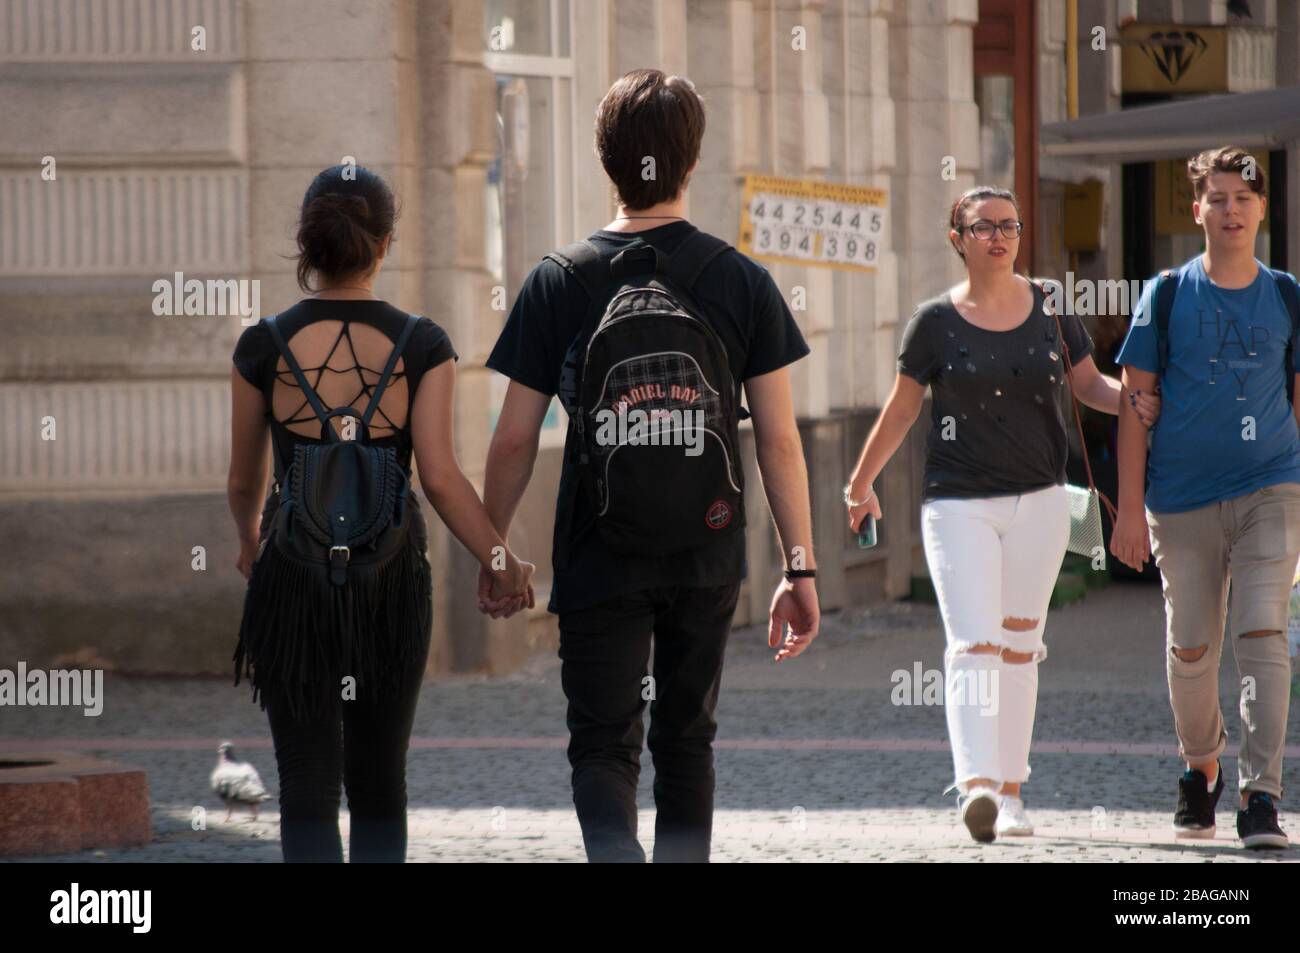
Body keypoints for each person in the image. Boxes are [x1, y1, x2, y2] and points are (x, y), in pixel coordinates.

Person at [479, 69, 819, 862]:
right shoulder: (741, 280)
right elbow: (778, 439)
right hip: (706, 546)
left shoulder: (558, 279)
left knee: (603, 743)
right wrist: (799, 567)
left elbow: (513, 438)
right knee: (687, 739)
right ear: (691, 160)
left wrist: (495, 549)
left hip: (599, 550)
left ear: (606, 160)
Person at [227, 164, 534, 862]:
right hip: (391, 578)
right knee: (377, 779)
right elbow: (443, 477)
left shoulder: (261, 346)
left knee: (305, 779)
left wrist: (250, 541)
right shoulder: (423, 343)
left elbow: (244, 476)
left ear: (306, 245)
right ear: (386, 242)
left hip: (293, 574)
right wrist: (501, 561)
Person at [845, 186, 1160, 843]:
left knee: (1019, 645)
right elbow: (903, 409)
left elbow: (1088, 383)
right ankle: (977, 786)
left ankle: (1011, 792)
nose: (999, 236)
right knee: (973, 642)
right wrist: (860, 481)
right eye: (983, 226)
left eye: (1009, 225)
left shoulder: (1050, 306)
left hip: (1041, 501)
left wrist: (1145, 400)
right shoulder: (934, 322)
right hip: (957, 502)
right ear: (957, 238)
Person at [1112, 145, 1300, 849]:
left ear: (1261, 210)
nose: (1230, 210)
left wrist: (1290, 476)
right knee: (1191, 649)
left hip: (1270, 492)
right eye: (1216, 198)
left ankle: (1262, 795)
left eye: (1242, 199)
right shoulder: (1165, 293)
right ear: (1197, 210)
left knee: (1262, 634)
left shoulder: (1286, 294)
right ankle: (1202, 765)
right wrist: (1130, 508)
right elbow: (1135, 404)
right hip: (1182, 500)